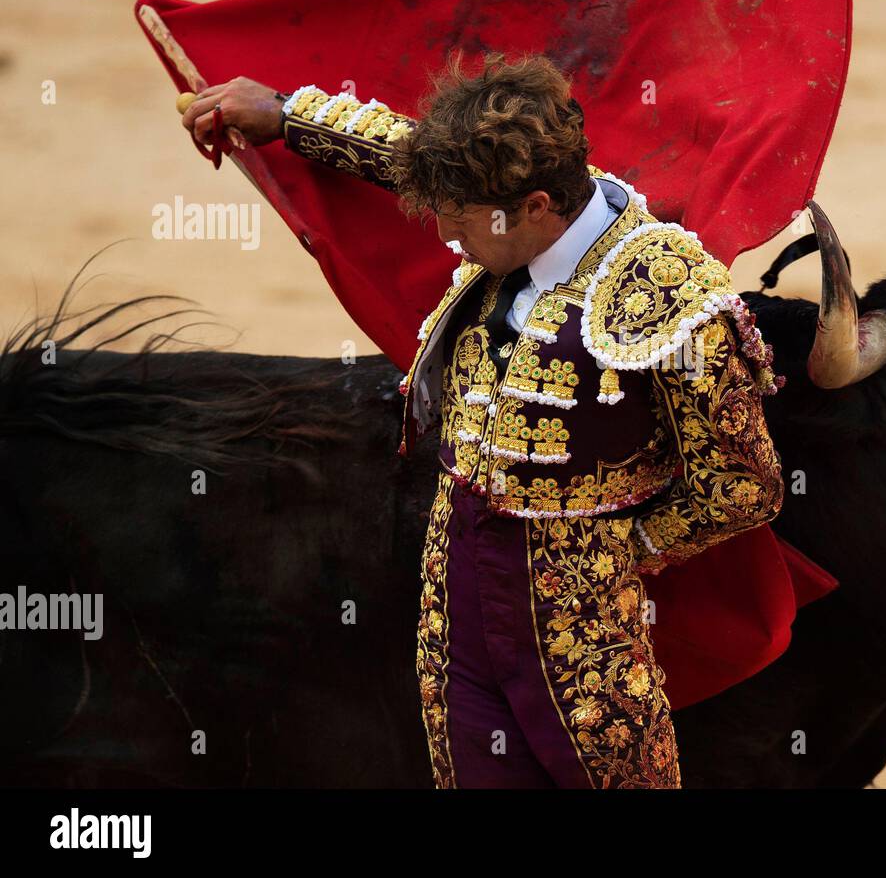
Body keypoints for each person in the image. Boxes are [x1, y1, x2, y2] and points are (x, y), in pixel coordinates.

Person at [180, 51, 786, 788]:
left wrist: (616, 545)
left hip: (583, 617)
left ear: (534, 205)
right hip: (456, 579)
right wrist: (282, 113)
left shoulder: (671, 293)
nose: (449, 242)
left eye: (461, 225)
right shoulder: (505, 209)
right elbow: (411, 153)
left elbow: (743, 485)